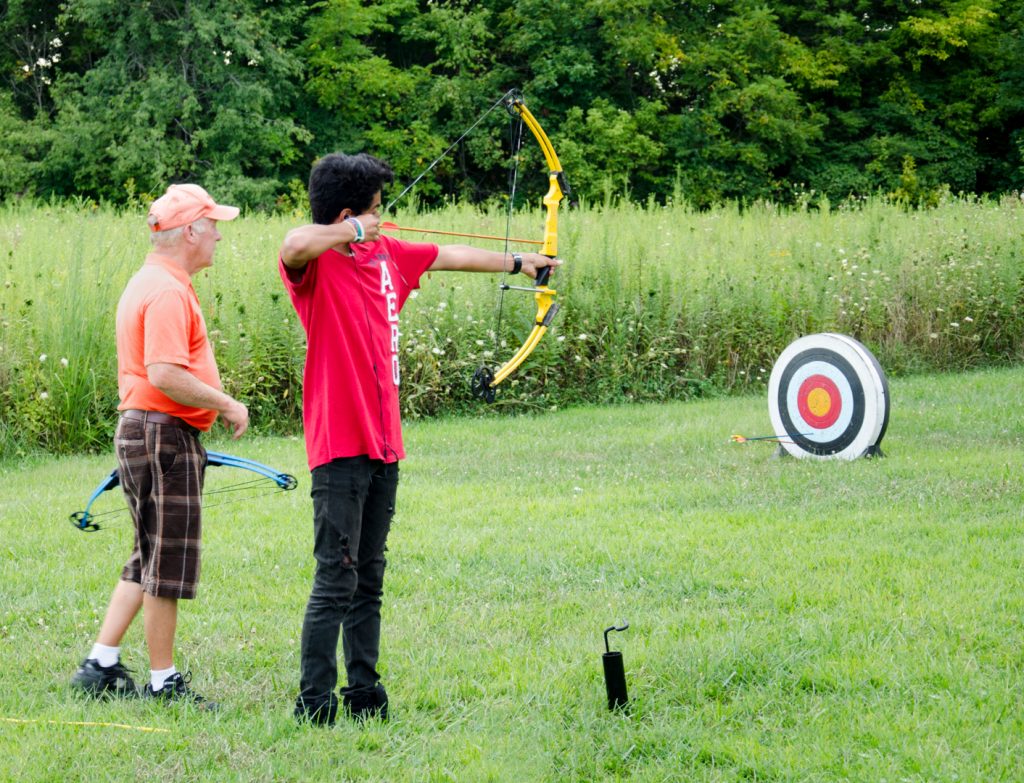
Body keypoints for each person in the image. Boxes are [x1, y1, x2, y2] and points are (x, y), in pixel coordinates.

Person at [280, 153, 560, 725]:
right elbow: (291, 244)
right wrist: (351, 230)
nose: (385, 220)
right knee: (336, 575)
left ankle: (364, 693)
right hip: (339, 444)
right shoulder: (319, 264)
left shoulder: (387, 256)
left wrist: (520, 262)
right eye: (376, 211)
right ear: (348, 213)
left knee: (370, 574)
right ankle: (314, 702)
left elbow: (451, 255)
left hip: (385, 443)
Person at [71, 184, 249, 707]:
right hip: (163, 433)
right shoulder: (168, 290)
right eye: (213, 224)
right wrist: (227, 403)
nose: (218, 234)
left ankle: (100, 663)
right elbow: (166, 372)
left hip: (148, 431)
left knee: (147, 552)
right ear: (190, 230)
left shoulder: (151, 279)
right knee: (166, 562)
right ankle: (163, 682)